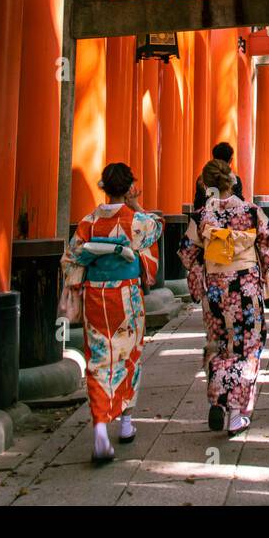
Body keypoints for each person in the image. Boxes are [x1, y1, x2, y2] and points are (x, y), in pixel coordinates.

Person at [61, 162, 163, 463]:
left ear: (103, 187)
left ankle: (100, 431)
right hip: (127, 296)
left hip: (96, 296)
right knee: (128, 356)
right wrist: (134, 204)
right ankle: (127, 422)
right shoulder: (136, 221)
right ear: (129, 186)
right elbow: (157, 228)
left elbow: (71, 259)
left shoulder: (89, 222)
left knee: (98, 359)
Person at [178, 158, 269, 436]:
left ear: (205, 185)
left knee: (218, 341)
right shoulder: (250, 212)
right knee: (247, 344)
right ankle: (237, 413)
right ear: (231, 180)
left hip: (215, 288)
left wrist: (209, 264)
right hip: (245, 287)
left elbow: (187, 253)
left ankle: (217, 396)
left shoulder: (201, 217)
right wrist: (258, 259)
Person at [193, 141, 244, 209]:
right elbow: (240, 203)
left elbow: (198, 204)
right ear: (230, 160)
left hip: (207, 216)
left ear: (214, 158)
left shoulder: (203, 179)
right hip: (231, 217)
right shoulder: (235, 180)